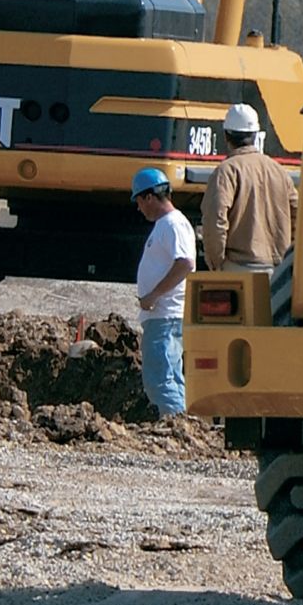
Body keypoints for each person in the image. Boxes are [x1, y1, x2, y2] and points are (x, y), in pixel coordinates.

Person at [202, 102, 296, 276]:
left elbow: (215, 219)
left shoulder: (226, 171)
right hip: (277, 269)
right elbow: (297, 214)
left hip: (238, 267)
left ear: (226, 136)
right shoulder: (279, 171)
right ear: (255, 135)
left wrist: (216, 262)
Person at [131, 166, 195, 418]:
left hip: (165, 315)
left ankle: (177, 428)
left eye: (139, 201)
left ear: (149, 197)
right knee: (168, 378)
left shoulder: (172, 225)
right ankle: (181, 425)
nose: (139, 208)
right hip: (164, 316)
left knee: (161, 379)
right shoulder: (168, 225)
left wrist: (154, 295)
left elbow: (185, 263)